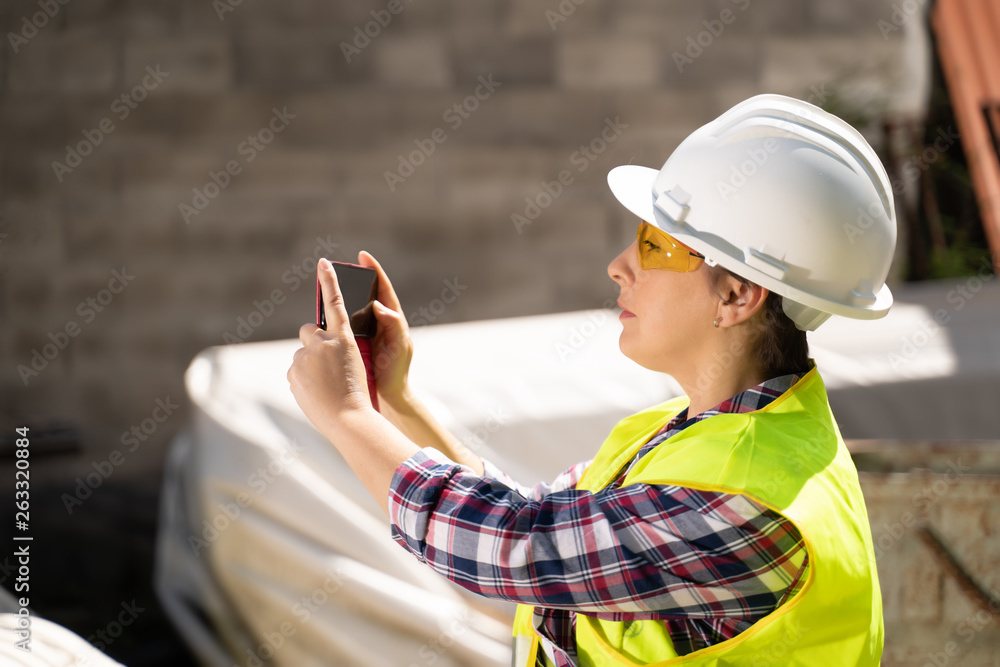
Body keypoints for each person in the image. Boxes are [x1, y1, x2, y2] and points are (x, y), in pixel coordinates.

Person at [287, 94, 892, 666]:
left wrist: (347, 418)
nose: (619, 266)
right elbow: (537, 522)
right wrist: (395, 400)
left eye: (654, 245)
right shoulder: (694, 439)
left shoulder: (745, 506)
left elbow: (514, 549)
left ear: (736, 294)